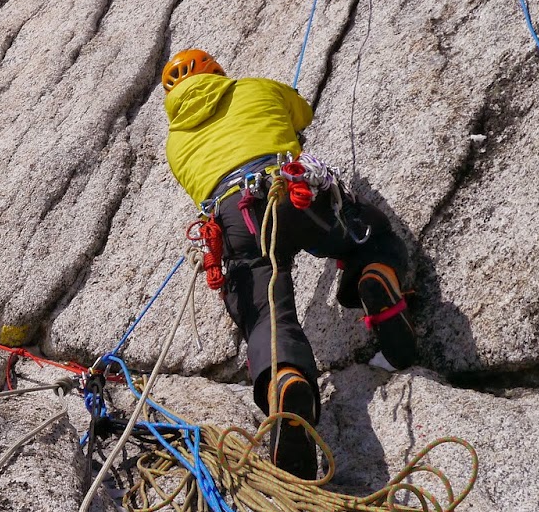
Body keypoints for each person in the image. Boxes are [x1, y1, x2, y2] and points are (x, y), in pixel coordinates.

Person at [160, 48, 416, 479]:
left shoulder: (174, 144)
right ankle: (376, 277)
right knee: (365, 235)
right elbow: (303, 114)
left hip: (237, 220)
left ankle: (286, 385)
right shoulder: (255, 88)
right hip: (293, 191)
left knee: (265, 316)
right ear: (217, 72)